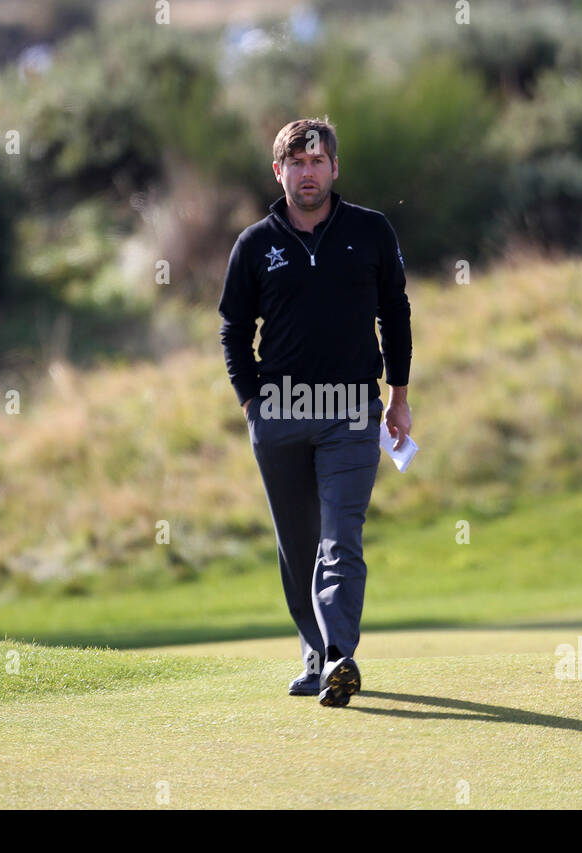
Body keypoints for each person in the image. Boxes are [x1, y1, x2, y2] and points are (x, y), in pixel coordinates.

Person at [217, 117, 413, 707]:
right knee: (298, 543)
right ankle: (314, 650)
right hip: (278, 411)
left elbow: (396, 314)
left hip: (352, 410)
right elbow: (232, 329)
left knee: (339, 536)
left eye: (318, 160)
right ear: (279, 172)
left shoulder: (371, 232)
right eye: (296, 163)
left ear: (335, 168)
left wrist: (398, 397)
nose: (308, 172)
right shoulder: (255, 244)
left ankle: (339, 657)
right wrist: (251, 402)